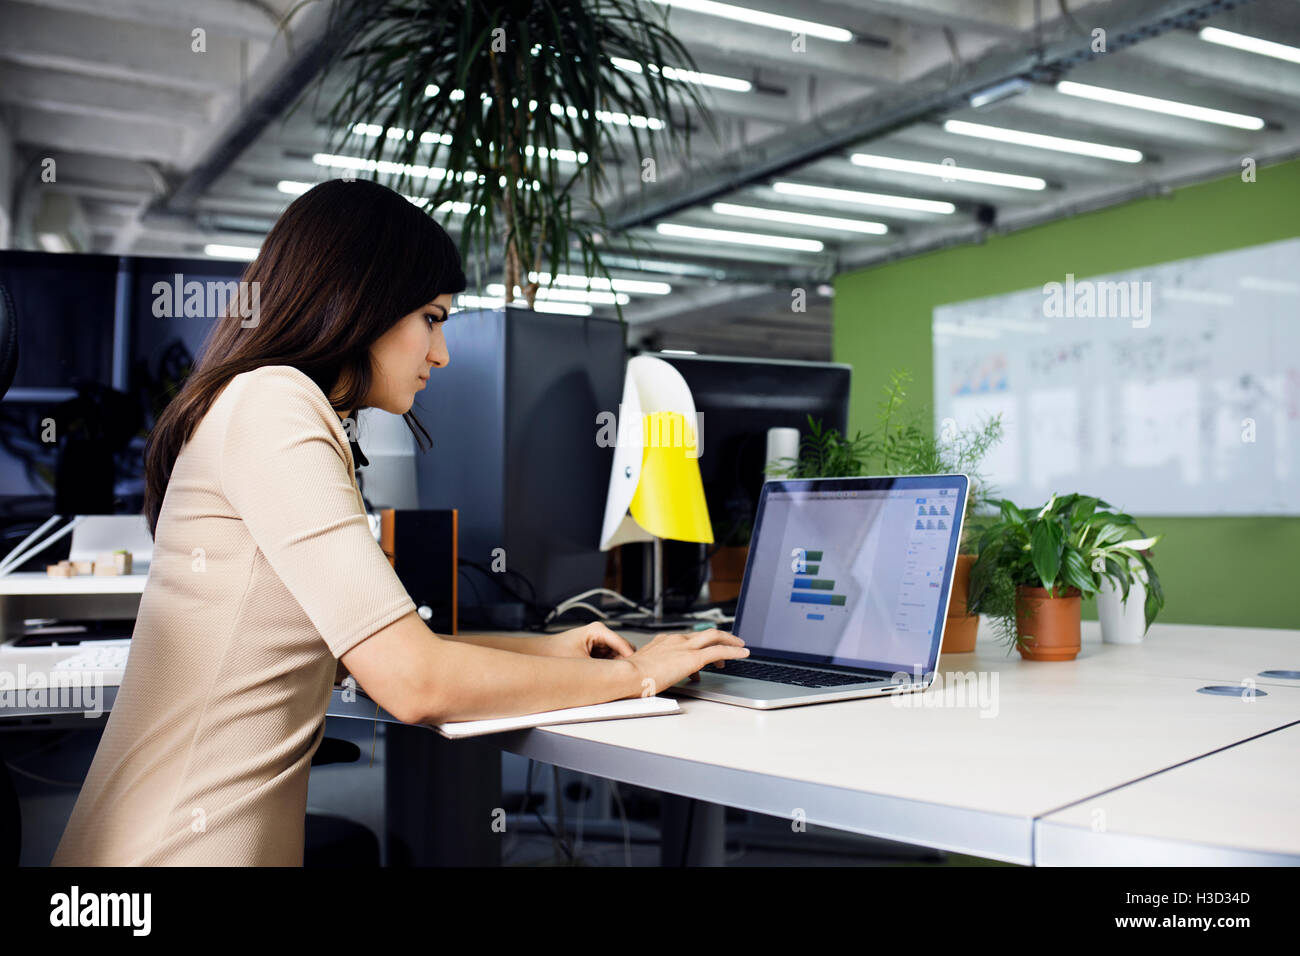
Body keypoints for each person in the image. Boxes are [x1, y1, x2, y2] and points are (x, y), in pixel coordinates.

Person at [51, 179, 747, 866]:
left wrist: (549, 650)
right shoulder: (274, 406)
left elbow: (370, 644)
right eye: (433, 318)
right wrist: (639, 677)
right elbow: (414, 683)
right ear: (361, 301)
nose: (441, 353)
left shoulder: (264, 403)